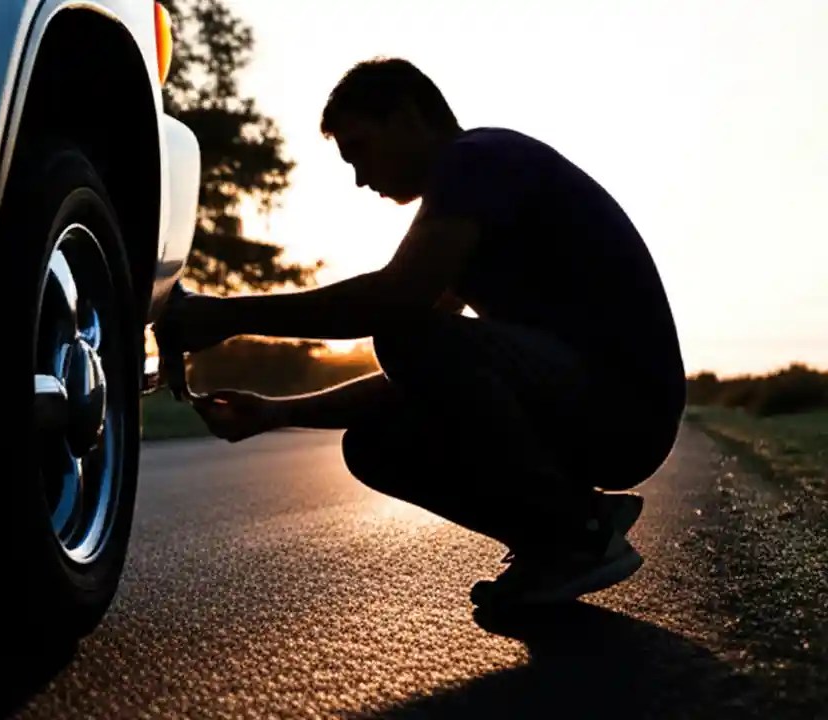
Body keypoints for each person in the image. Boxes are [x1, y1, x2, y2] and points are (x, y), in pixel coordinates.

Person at [153, 57, 686, 609]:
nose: (360, 179)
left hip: (625, 410)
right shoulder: (464, 204)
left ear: (408, 117)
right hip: (593, 410)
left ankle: (576, 534)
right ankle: (565, 530)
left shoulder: (477, 160)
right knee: (375, 443)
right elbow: (437, 374)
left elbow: (396, 308)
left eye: (360, 150)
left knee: (405, 332)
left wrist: (230, 317)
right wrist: (278, 413)